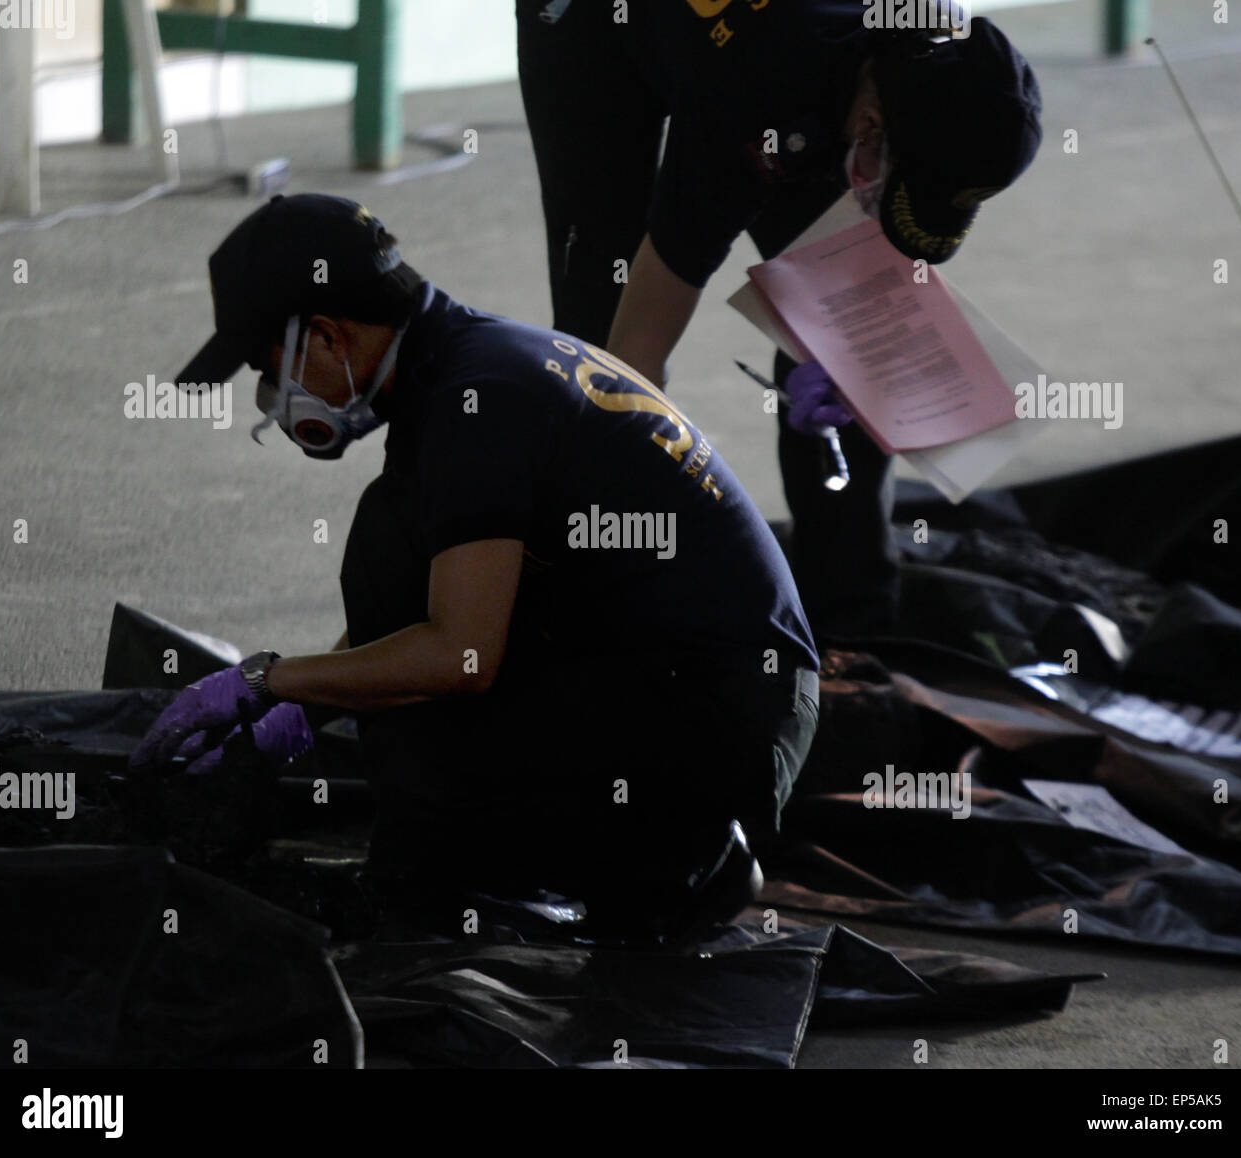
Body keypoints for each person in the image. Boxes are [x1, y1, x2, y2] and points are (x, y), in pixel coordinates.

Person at [134, 193, 820, 944]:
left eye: (271, 371)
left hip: (726, 721)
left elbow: (459, 656)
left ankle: (680, 863)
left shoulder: (476, 405)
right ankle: (657, 842)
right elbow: (430, 612)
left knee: (423, 709)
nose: (272, 402)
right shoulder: (475, 364)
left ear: (326, 336)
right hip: (716, 685)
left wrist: (269, 682)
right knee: (398, 561)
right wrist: (302, 709)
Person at [516, 2, 1042, 640]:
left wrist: (842, 346)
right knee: (598, 337)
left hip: (784, 59)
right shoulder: (751, 88)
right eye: (895, 186)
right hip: (592, 27)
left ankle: (849, 628)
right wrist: (635, 484)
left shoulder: (927, 40)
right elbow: (638, 346)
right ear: (871, 126)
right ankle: (592, 607)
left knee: (859, 327)